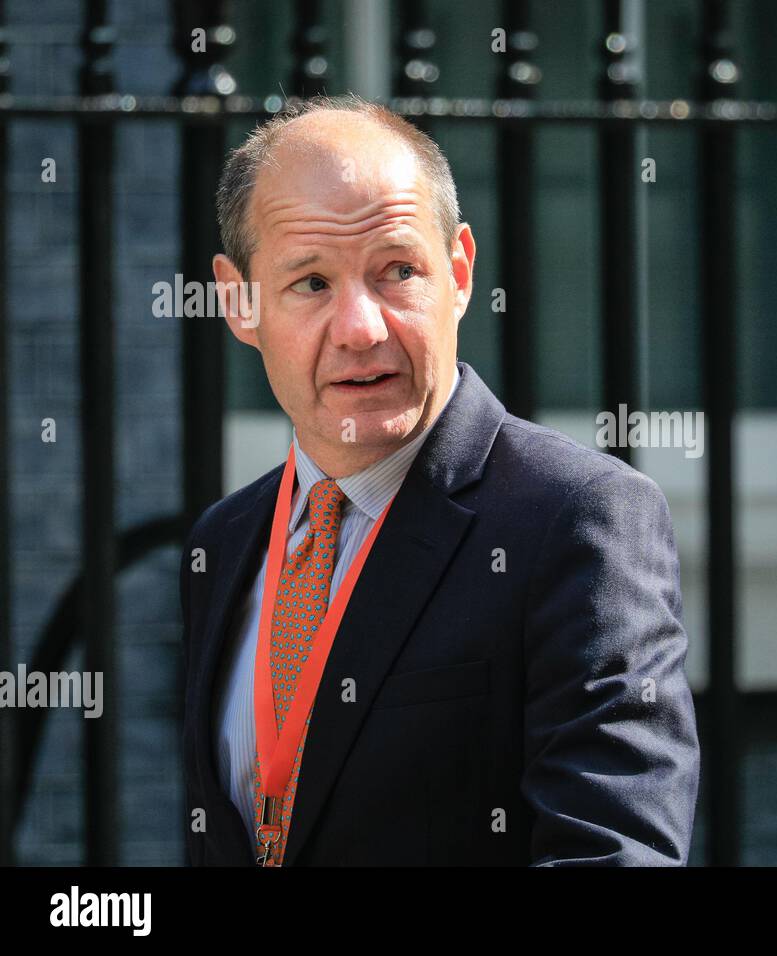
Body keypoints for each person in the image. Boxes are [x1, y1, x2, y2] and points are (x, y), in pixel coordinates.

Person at [180, 95, 699, 866]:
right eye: (312, 283)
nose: (361, 328)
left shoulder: (576, 518)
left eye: (397, 270)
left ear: (458, 273)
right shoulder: (223, 543)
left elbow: (610, 852)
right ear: (238, 302)